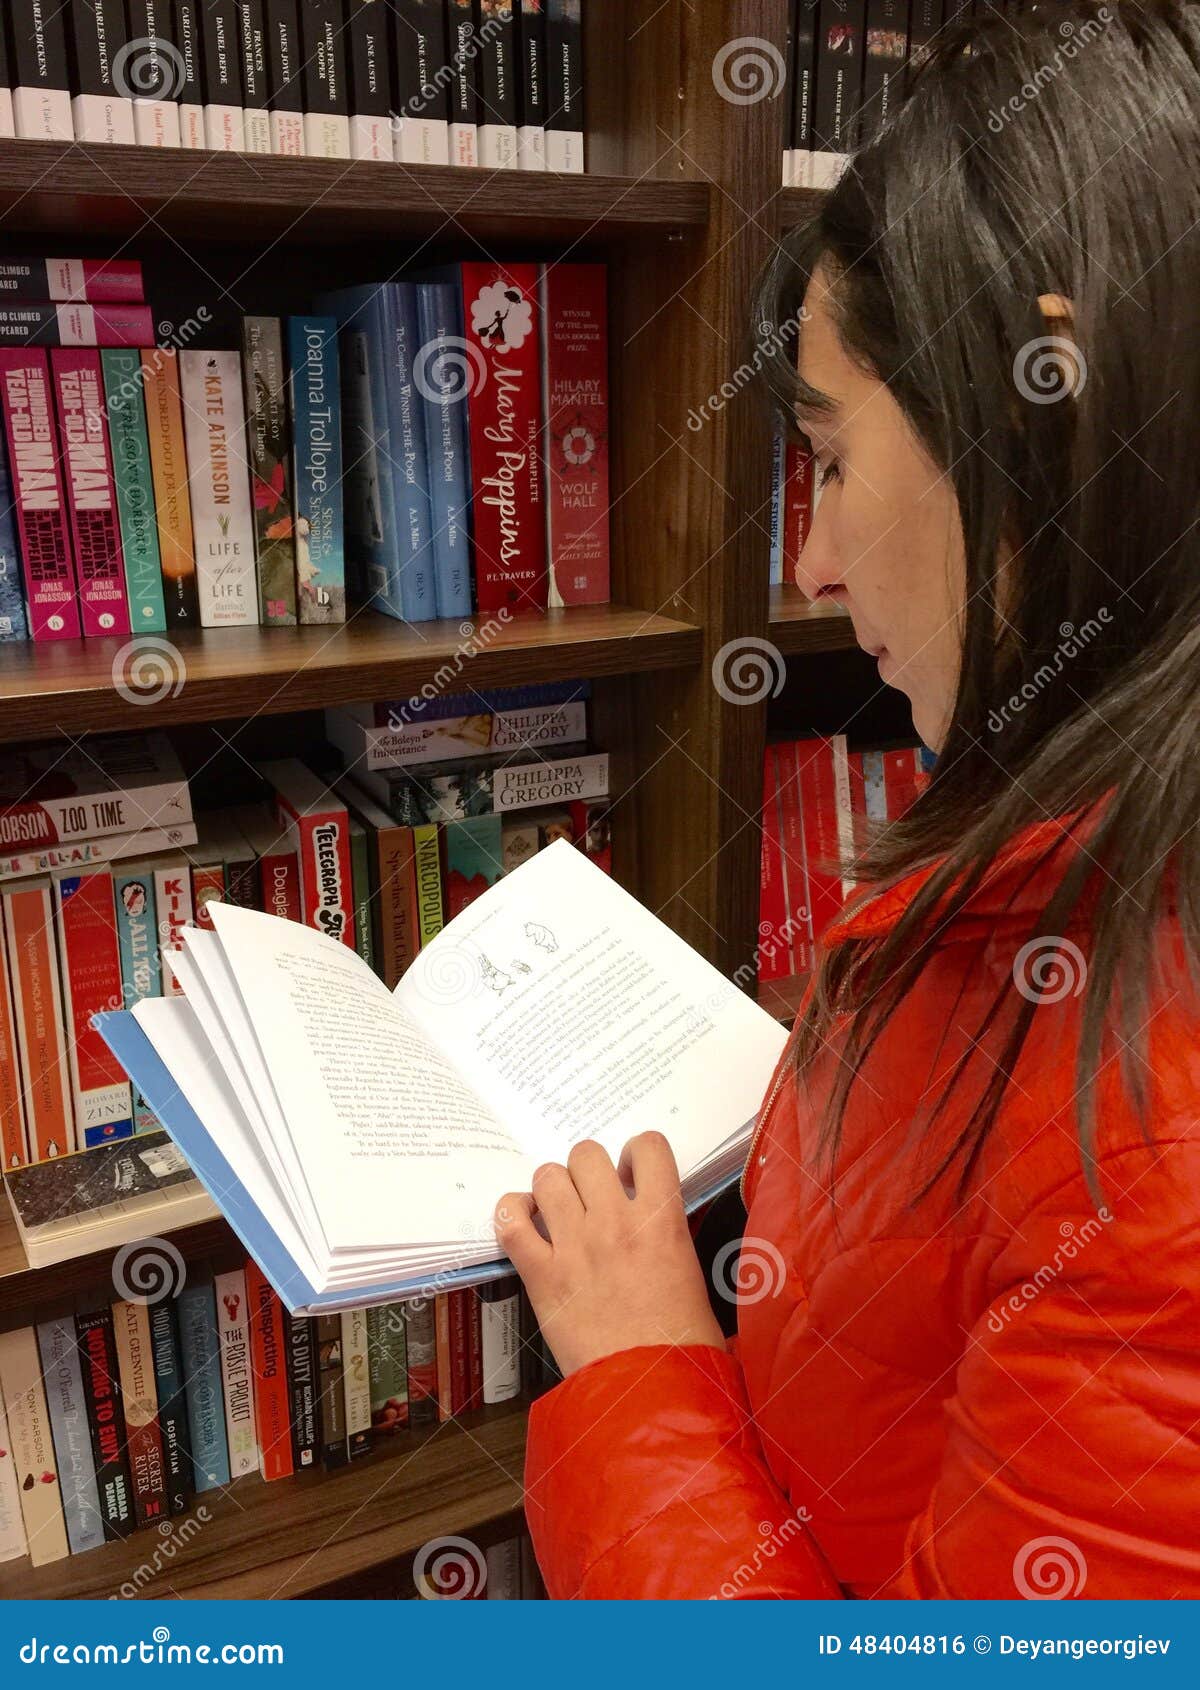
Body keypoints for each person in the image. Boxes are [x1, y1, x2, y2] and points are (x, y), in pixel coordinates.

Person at [494, 1, 1200, 1599]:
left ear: (1038, 413)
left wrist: (634, 1371)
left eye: (823, 460)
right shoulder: (1055, 817)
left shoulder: (1151, 1154)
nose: (807, 564)